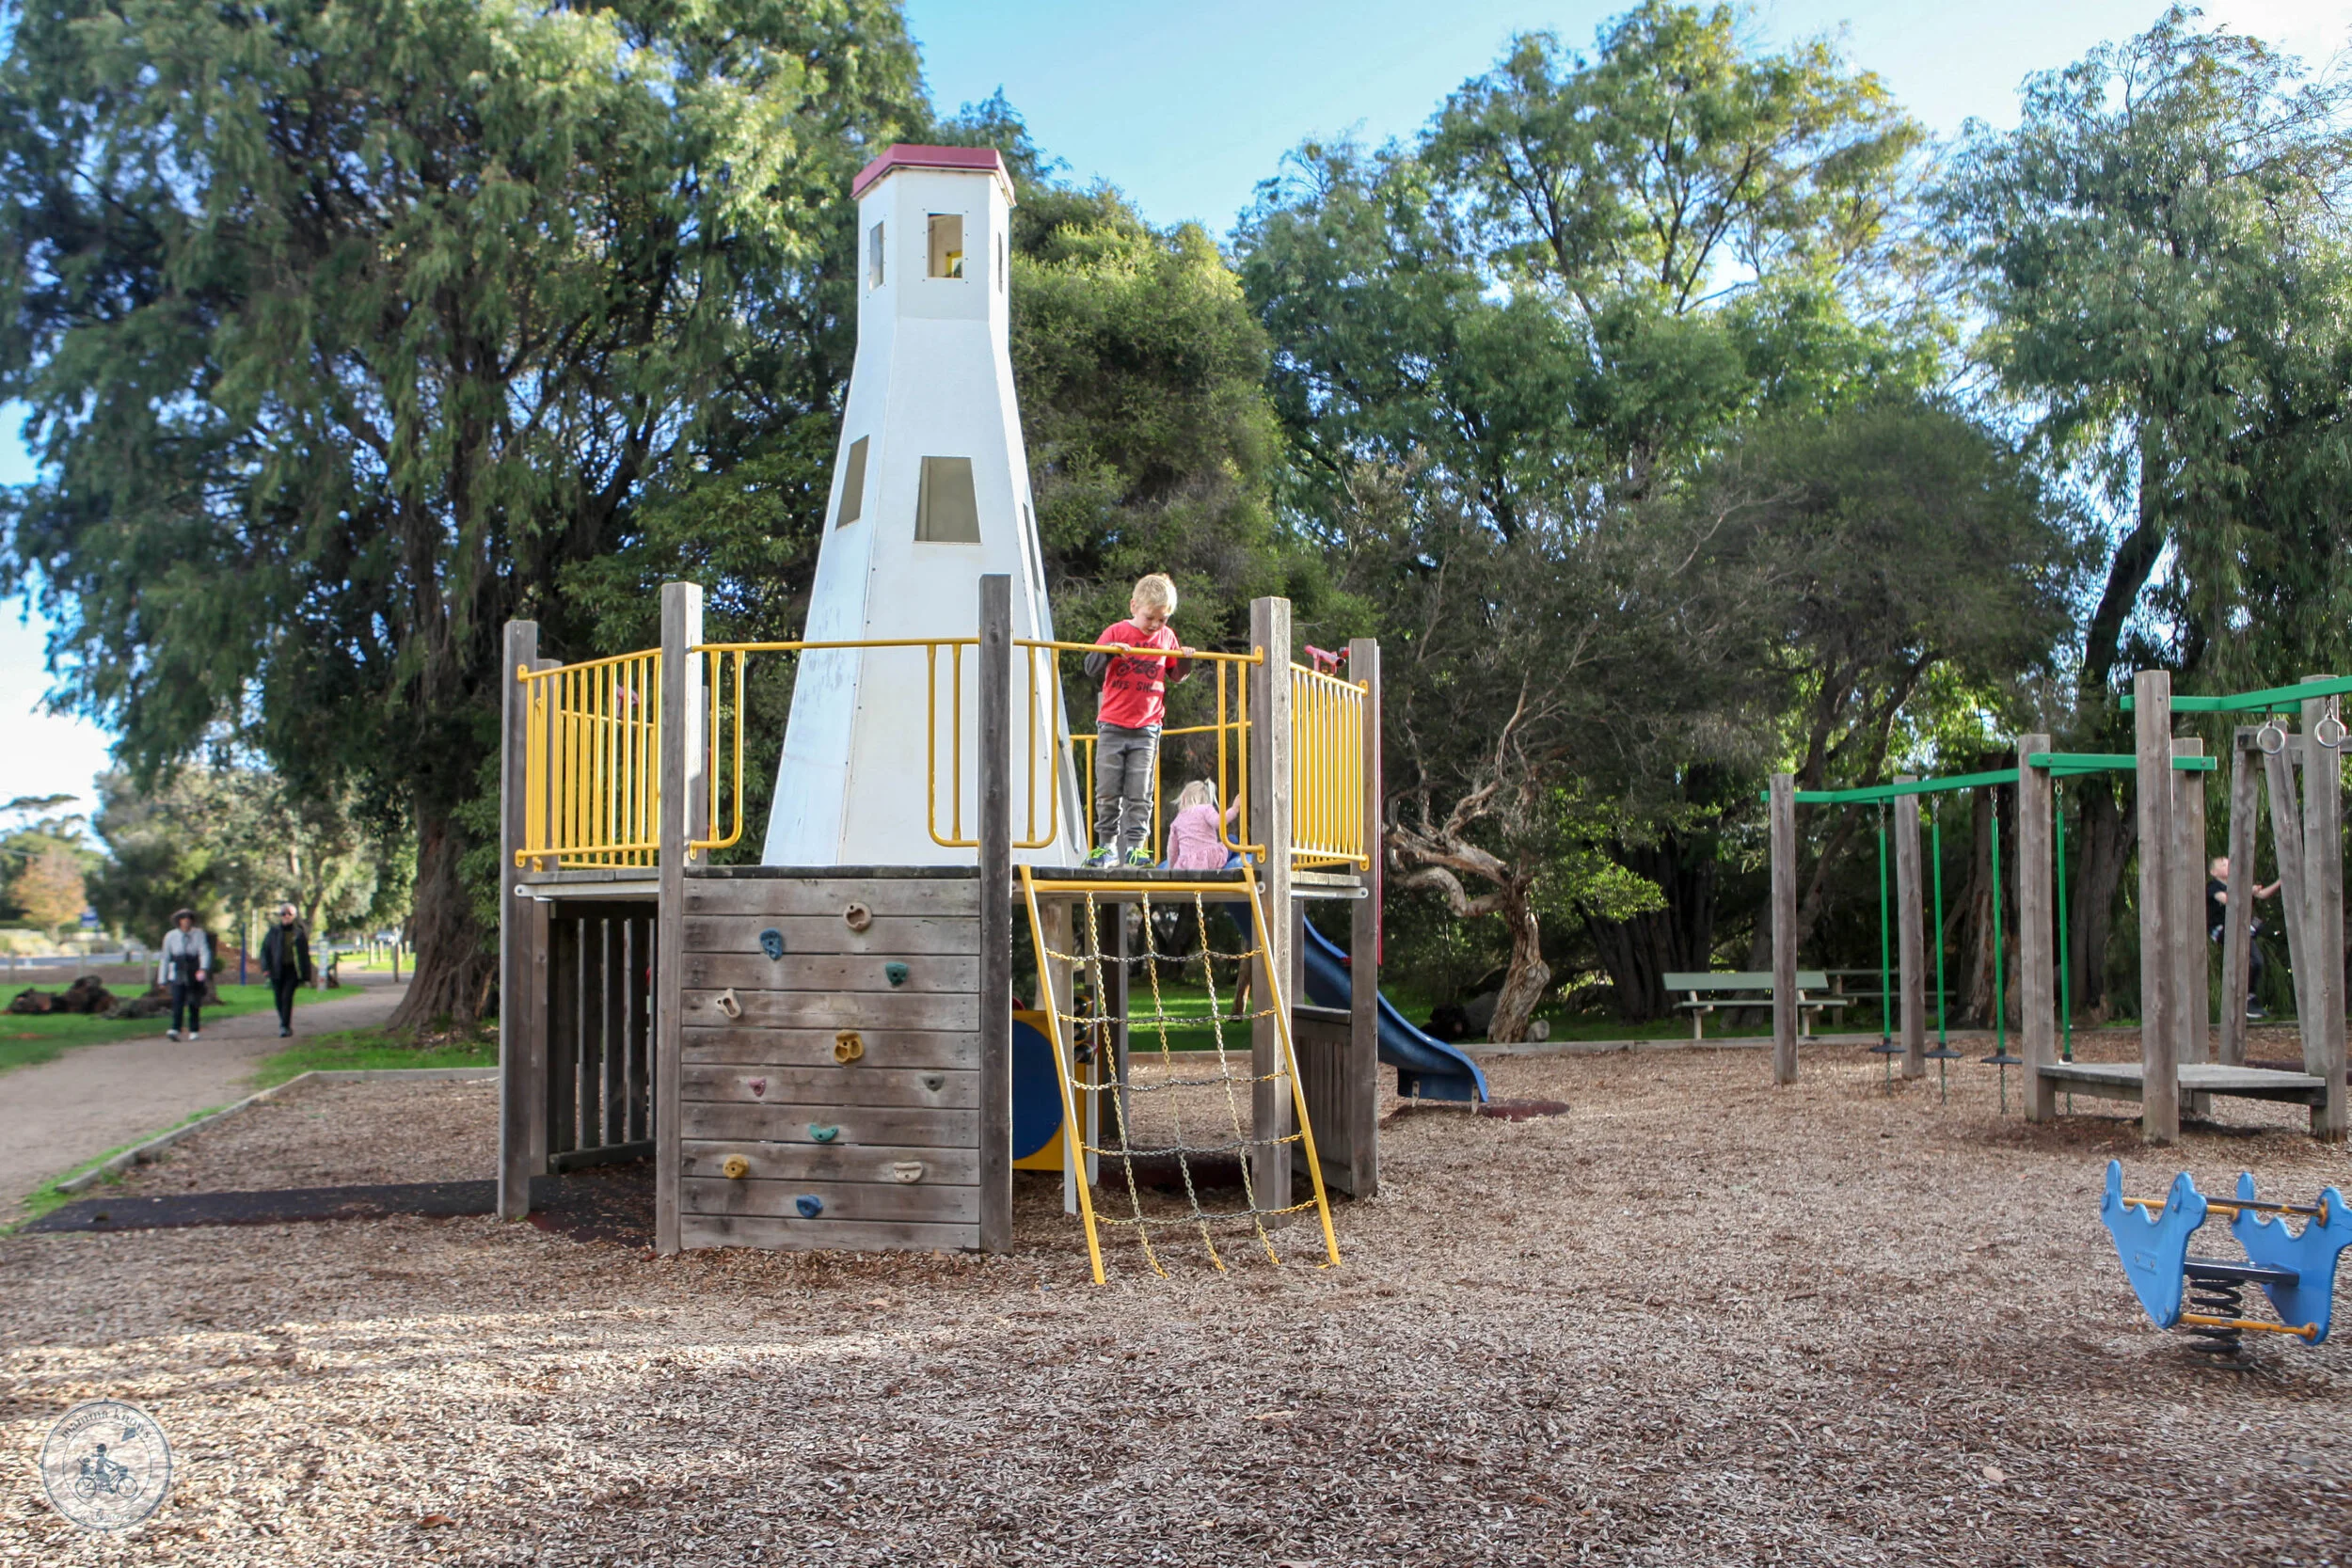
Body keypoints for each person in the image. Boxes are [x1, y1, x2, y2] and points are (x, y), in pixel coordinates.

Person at [1082, 573, 1194, 867]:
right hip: (1112, 725)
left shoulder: (1166, 637)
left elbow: (1176, 675)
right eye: (1150, 617)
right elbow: (1090, 667)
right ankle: (1106, 847)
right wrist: (1110, 653)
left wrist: (1185, 659)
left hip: (1146, 728)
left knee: (1140, 791)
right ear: (1134, 606)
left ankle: (1136, 848)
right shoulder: (1117, 631)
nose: (1156, 625)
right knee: (1107, 790)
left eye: (1163, 619)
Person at [2208, 855, 2281, 1020]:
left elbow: (2262, 894)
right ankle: (2243, 998)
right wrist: (2248, 891)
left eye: (2229, 863)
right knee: (2249, 942)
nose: (2228, 866)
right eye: (2223, 864)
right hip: (2221, 929)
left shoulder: (2237, 886)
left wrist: (2280, 881)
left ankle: (2250, 997)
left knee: (2257, 960)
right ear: (2214, 872)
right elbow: (2228, 900)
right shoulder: (2213, 887)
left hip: (2238, 928)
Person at [259, 903, 313, 1038]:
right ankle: (284, 1023)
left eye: (289, 914)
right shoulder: (273, 932)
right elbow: (265, 951)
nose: (286, 916)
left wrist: (306, 975)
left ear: (294, 916)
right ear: (280, 916)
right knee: (278, 999)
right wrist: (265, 968)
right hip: (276, 970)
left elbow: (305, 955)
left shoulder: (299, 934)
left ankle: (285, 1026)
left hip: (292, 970)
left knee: (287, 997)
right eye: (284, 913)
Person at [1162, 779, 1241, 870]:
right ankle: (1237, 865)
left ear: (1183, 799)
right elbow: (1218, 822)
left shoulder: (1177, 820)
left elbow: (1172, 850)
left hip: (1187, 865)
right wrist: (1234, 809)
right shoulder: (1205, 809)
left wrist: (1172, 868)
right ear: (1206, 798)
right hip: (1208, 861)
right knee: (1231, 839)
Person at [158, 909, 211, 1041]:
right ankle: (175, 1027)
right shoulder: (171, 936)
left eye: (189, 918)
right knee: (177, 1001)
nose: (186, 921)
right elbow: (165, 957)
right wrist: (162, 979)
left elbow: (204, 951)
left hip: (193, 968)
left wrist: (203, 968)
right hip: (178, 969)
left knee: (194, 1001)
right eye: (183, 918)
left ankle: (194, 1030)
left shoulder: (199, 934)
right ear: (179, 921)